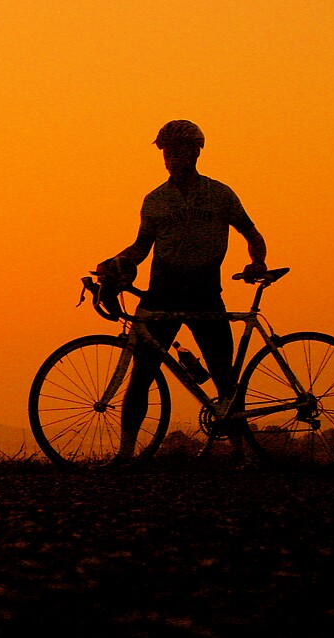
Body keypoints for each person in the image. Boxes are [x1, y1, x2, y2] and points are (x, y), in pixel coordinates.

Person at [96, 120, 268, 463]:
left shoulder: (220, 194)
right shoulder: (156, 200)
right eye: (166, 152)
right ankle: (125, 454)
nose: (171, 158)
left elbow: (252, 234)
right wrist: (113, 262)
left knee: (223, 374)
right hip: (163, 291)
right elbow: (142, 246)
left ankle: (239, 454)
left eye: (178, 150)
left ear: (196, 151)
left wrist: (258, 262)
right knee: (142, 375)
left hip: (205, 290)